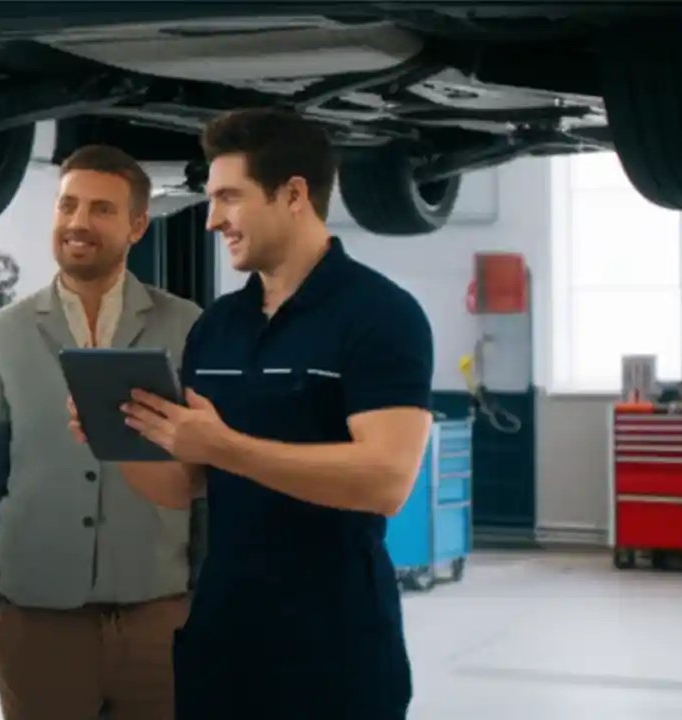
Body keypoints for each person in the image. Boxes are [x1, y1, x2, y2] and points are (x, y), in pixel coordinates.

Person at [69, 108, 435, 718]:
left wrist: (224, 446)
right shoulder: (217, 327)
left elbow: (385, 481)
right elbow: (186, 483)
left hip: (337, 651)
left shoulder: (382, 315)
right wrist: (116, 439)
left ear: (293, 194)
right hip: (224, 641)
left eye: (229, 198)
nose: (212, 220)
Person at [0, 144, 204, 720]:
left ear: (138, 225)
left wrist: (200, 604)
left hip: (158, 621)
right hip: (35, 625)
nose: (77, 223)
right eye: (67, 205)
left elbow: (208, 481)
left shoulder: (185, 326)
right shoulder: (5, 333)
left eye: (101, 209)